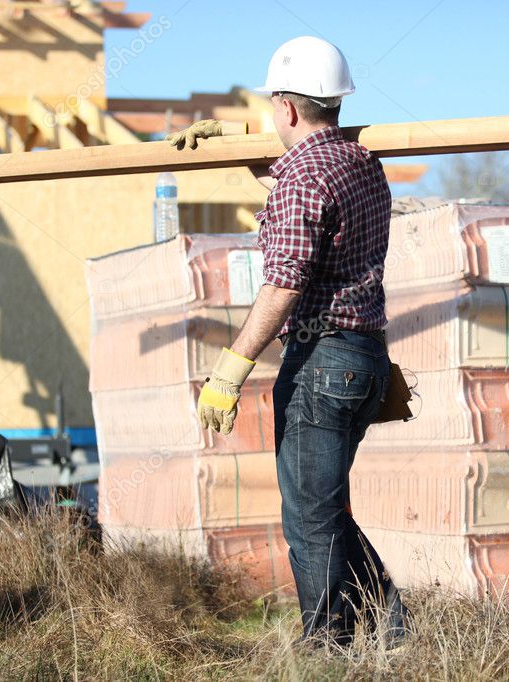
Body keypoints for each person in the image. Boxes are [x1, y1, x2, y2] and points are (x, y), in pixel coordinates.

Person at [168, 36, 410, 648]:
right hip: (365, 358)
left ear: (288, 108)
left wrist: (230, 370)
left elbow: (282, 285)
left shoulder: (303, 176)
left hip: (323, 363)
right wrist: (240, 145)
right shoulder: (361, 162)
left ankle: (328, 645)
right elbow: (304, 193)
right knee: (323, 509)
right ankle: (392, 633)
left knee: (309, 517)